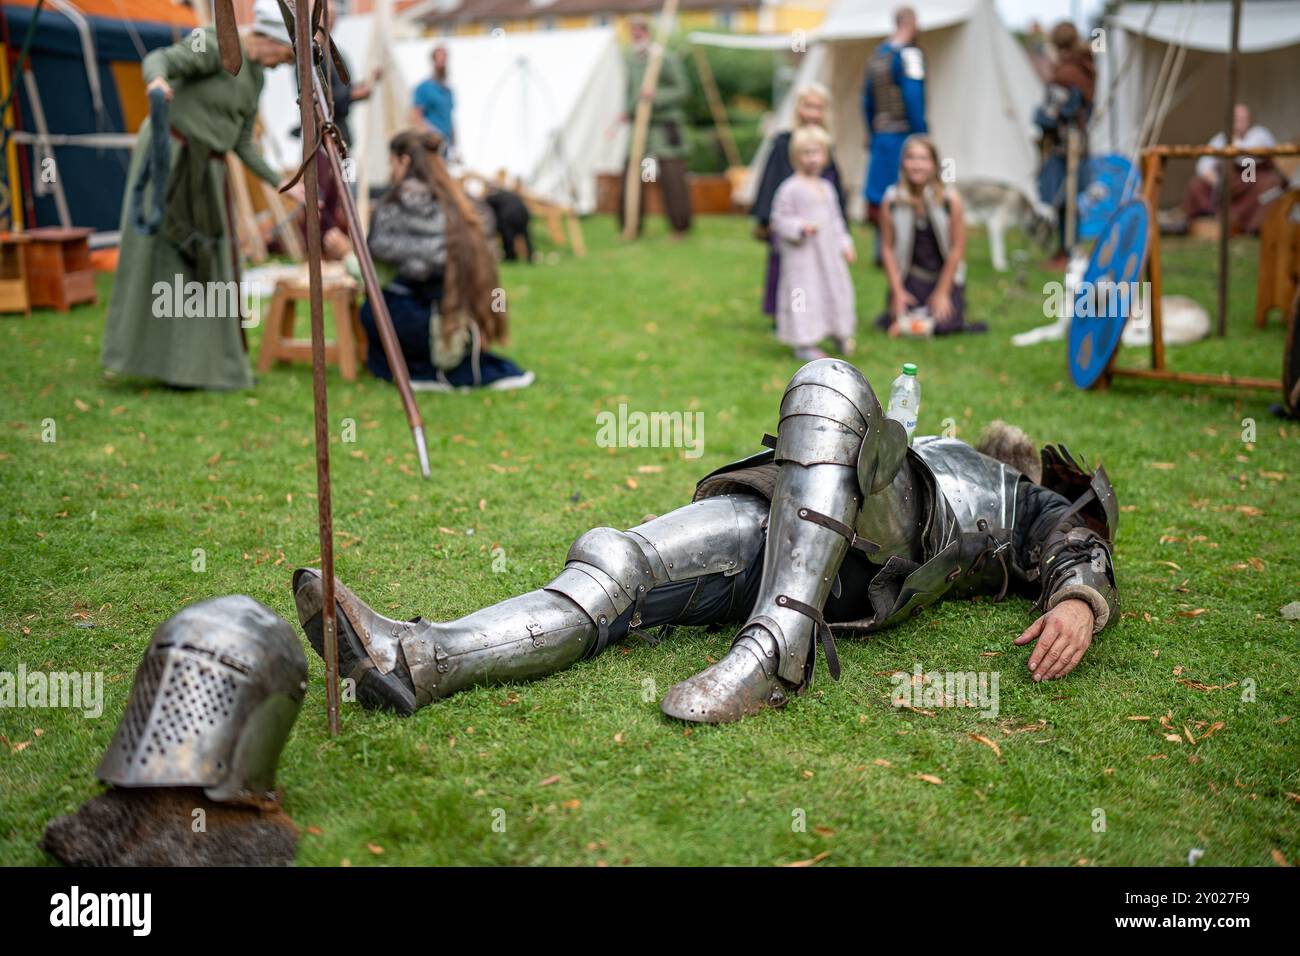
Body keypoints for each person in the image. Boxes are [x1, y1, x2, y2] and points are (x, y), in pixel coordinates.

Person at [292, 359, 1119, 724]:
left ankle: (777, 655)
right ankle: (421, 656)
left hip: (884, 551)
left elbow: (1074, 538)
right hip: (784, 524)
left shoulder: (1016, 493)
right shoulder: (929, 448)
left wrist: (1079, 601)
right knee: (618, 562)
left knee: (830, 383)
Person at [101, 0, 295, 391]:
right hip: (170, 158)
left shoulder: (254, 76)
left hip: (208, 170)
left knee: (207, 263)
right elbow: (161, 60)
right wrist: (156, 82)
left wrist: (281, 181)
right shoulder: (215, 45)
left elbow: (242, 141)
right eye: (287, 56)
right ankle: (158, 362)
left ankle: (201, 366)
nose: (284, 65)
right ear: (272, 40)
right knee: (166, 259)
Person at [359, 129, 532, 392]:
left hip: (421, 317)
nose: (391, 171)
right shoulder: (464, 202)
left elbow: (377, 259)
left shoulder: (396, 204)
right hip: (464, 312)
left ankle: (422, 364)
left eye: (392, 163)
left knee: (373, 307)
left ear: (404, 161)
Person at [751, 83, 847, 319]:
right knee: (790, 273)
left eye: (819, 108)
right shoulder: (784, 142)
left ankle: (820, 316)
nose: (813, 113)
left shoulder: (826, 144)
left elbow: (833, 187)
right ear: (798, 108)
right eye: (809, 106)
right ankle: (787, 317)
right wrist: (766, 220)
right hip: (792, 222)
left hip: (821, 224)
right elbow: (772, 181)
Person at [877, 135, 980, 336]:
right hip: (911, 276)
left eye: (923, 159)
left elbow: (957, 249)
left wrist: (942, 292)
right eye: (911, 158)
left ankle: (911, 326)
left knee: (946, 324)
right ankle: (913, 322)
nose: (917, 165)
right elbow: (887, 249)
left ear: (934, 164)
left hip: (942, 277)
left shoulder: (950, 200)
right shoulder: (892, 200)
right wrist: (897, 292)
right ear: (903, 163)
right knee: (896, 315)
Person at [770, 125, 857, 360]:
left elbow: (837, 219)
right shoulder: (790, 188)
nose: (812, 158)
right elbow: (779, 219)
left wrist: (845, 243)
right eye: (806, 153)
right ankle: (804, 342)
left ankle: (839, 332)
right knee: (804, 297)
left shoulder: (827, 188)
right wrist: (799, 227)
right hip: (803, 258)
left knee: (834, 291)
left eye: (816, 152)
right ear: (796, 157)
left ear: (825, 155)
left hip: (828, 255)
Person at [863, 6, 927, 261]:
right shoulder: (911, 55)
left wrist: (871, 130)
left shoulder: (877, 56)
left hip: (880, 136)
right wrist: (921, 134)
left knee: (881, 194)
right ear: (911, 23)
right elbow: (913, 97)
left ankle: (882, 251)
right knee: (904, 192)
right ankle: (902, 252)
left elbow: (866, 101)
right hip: (902, 136)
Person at [620, 15, 693, 238]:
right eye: (633, 31)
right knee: (631, 173)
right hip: (640, 127)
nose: (636, 35)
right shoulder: (633, 61)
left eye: (640, 31)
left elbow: (683, 90)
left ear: (648, 32)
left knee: (671, 176)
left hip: (664, 127)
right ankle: (630, 224)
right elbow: (633, 93)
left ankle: (679, 226)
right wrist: (628, 110)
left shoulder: (664, 59)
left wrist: (656, 96)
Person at [1032, 21, 1095, 265]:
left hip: (1064, 145)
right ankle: (1067, 249)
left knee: (1063, 201)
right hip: (1077, 142)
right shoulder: (1085, 68)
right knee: (1067, 201)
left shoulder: (1066, 74)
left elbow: (1056, 113)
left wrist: (1038, 117)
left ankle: (1068, 251)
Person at [1178, 104, 1286, 236]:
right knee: (1196, 185)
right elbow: (1204, 161)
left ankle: (1252, 225)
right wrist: (1210, 175)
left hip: (1252, 178)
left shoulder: (1259, 133)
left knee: (1269, 183)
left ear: (1249, 119)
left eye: (1243, 118)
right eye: (1236, 119)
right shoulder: (1221, 138)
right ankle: (1203, 222)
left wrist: (1232, 145)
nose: (1239, 122)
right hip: (1227, 182)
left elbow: (1247, 155)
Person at [411, 46, 454, 146]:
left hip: (445, 146)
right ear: (433, 61)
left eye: (444, 60)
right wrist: (434, 133)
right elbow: (415, 117)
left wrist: (455, 147)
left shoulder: (448, 91)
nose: (442, 64)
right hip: (430, 147)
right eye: (439, 60)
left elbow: (450, 120)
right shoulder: (423, 88)